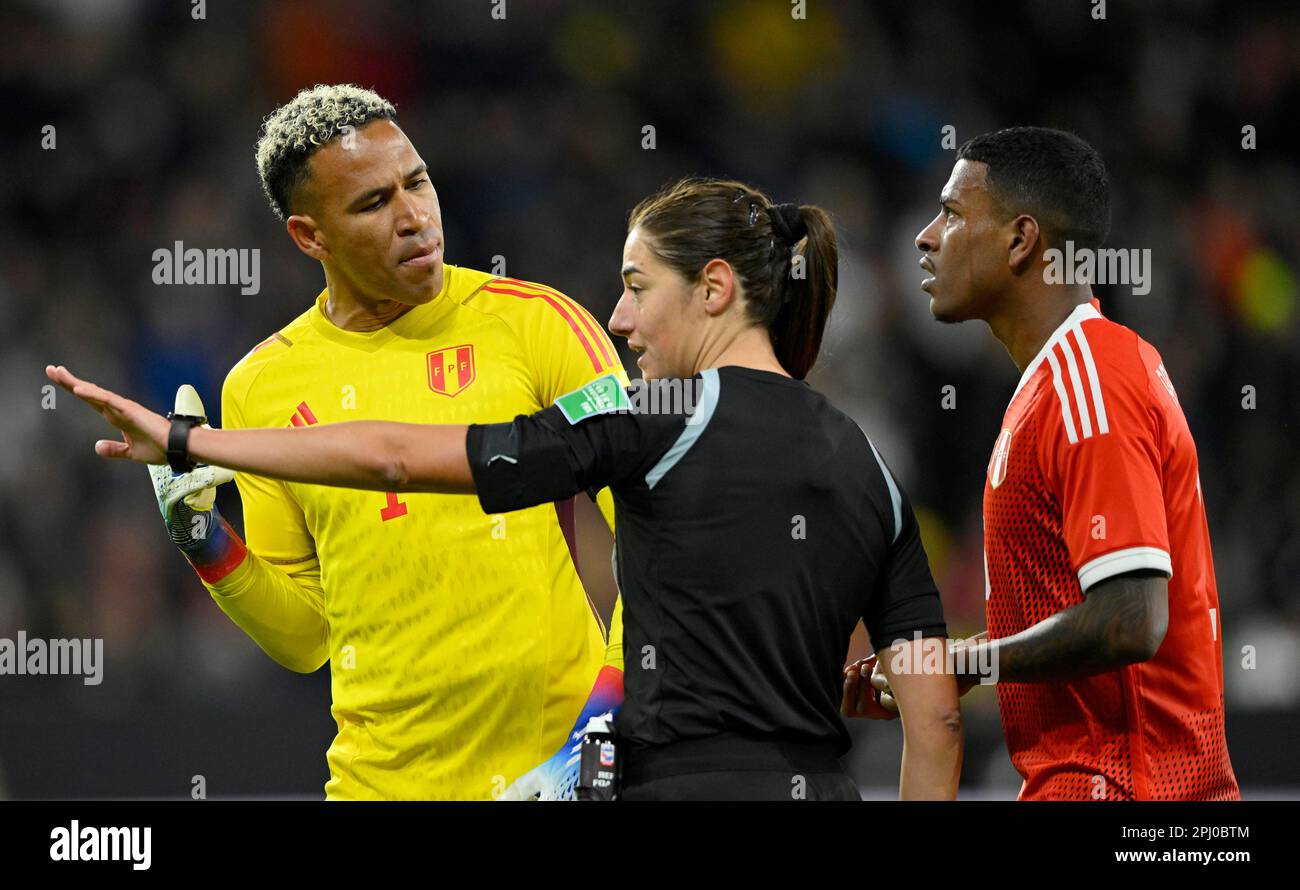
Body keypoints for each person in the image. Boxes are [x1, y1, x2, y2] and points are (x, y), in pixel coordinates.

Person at [48, 177, 964, 801]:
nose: (619, 318)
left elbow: (395, 458)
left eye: (640, 288)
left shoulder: (647, 422)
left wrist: (189, 438)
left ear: (716, 288)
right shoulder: (869, 466)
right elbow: (936, 721)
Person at [130, 83, 630, 799]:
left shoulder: (541, 325)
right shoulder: (260, 387)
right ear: (310, 236)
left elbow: (658, 551)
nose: (414, 218)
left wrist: (600, 728)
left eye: (417, 183)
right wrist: (206, 542)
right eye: (373, 203)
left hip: (556, 769)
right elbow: (305, 637)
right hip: (380, 783)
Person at [849, 127, 1239, 801]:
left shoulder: (1093, 380)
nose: (926, 236)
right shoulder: (1054, 386)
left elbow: (1130, 617)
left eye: (951, 213)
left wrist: (961, 661)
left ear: (1020, 239)